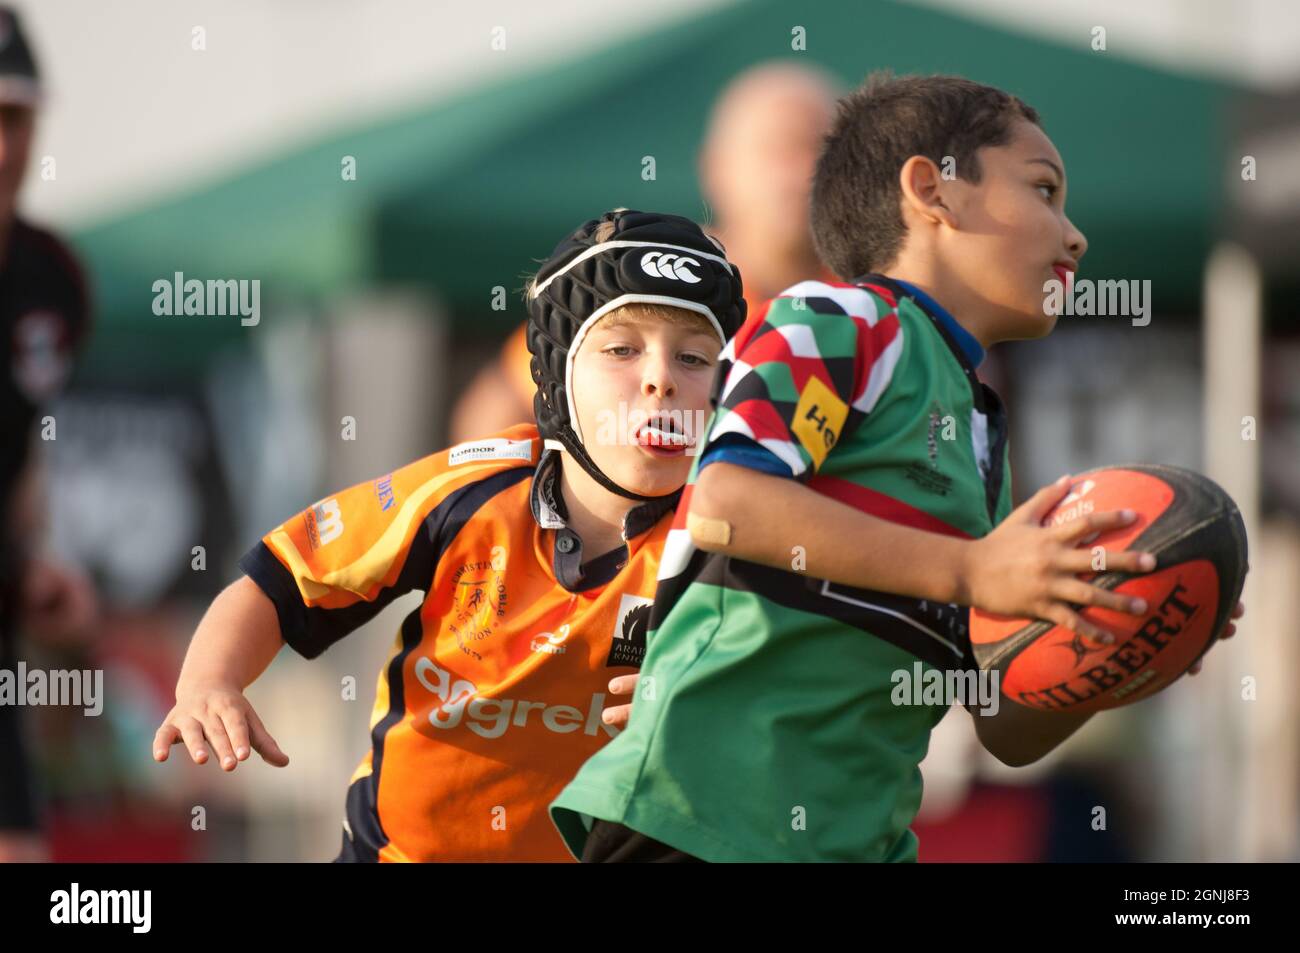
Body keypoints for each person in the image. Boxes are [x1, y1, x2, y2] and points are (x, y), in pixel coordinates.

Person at [550, 72, 1246, 862]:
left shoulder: (982, 434)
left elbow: (1002, 724)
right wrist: (972, 567)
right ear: (934, 191)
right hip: (700, 818)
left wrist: (1130, 644)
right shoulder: (839, 320)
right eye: (1044, 190)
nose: (1074, 235)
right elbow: (727, 499)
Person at [151, 209, 747, 861]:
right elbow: (278, 578)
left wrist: (709, 719)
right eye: (621, 348)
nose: (661, 378)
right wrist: (210, 681)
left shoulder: (734, 537)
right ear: (555, 371)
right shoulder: (470, 488)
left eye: (694, 357)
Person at [448, 61, 841, 443]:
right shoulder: (647, 272)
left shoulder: (872, 303)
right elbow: (499, 405)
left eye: (822, 150)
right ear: (717, 168)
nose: (801, 172)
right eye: (779, 148)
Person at [0, 6, 96, 863]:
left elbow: (23, 454)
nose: (1, 147)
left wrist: (38, 565)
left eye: (14, 118)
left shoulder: (51, 281)